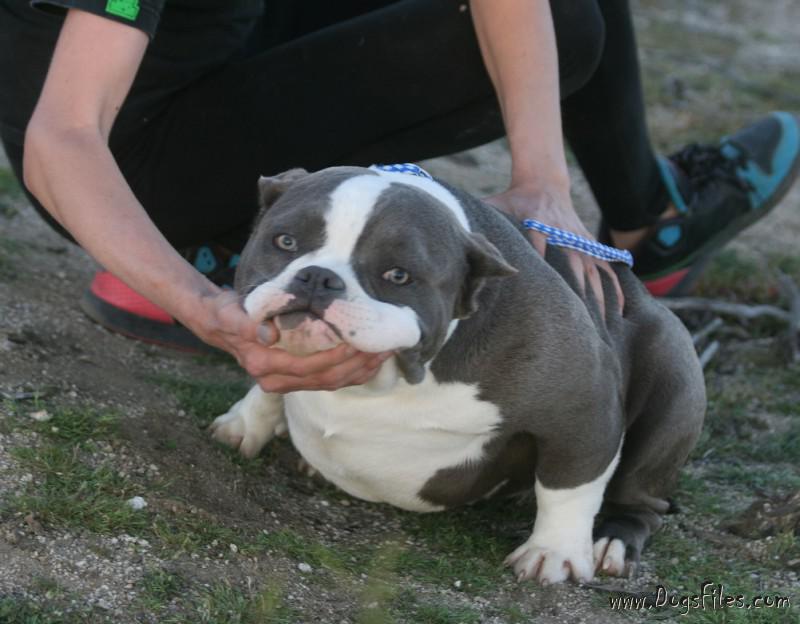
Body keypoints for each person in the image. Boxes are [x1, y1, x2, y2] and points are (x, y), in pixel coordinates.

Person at [0, 0, 797, 393]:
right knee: (565, 25)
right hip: (126, 160)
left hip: (228, 43)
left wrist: (541, 180)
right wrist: (196, 300)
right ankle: (197, 246)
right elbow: (62, 136)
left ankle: (651, 218)